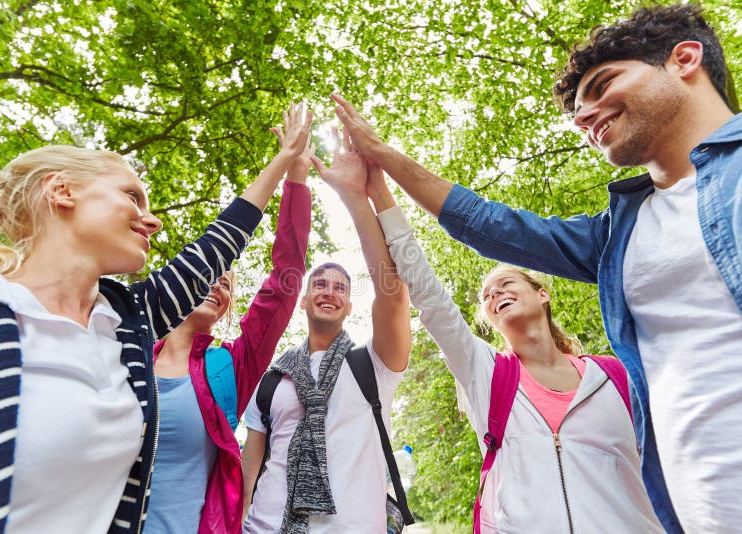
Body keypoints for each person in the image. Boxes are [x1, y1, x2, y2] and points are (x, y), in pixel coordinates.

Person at [331, 4, 742, 531]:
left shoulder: (611, 380)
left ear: (684, 59)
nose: (583, 116)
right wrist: (379, 172)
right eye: (577, 108)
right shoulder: (619, 239)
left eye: (602, 85)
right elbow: (481, 230)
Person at [0, 104, 312, 534]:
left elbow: (225, 247)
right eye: (132, 196)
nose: (153, 220)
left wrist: (288, 163)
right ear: (62, 191)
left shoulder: (125, 327)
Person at [367, 168, 662, 532]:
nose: (494, 295)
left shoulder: (615, 376)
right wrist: (379, 191)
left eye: (505, 283)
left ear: (542, 293)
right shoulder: (487, 373)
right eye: (487, 296)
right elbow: (428, 293)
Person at [144, 113, 313, 534]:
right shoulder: (126, 350)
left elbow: (285, 277)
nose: (216, 284)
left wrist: (296, 178)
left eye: (225, 284)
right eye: (209, 276)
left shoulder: (228, 368)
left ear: (225, 309)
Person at [240, 130, 411, 533]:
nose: (329, 291)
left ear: (350, 306)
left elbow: (394, 294)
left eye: (340, 287)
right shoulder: (272, 379)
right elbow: (252, 462)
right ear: (302, 300)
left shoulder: (374, 365)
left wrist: (358, 196)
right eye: (319, 283)